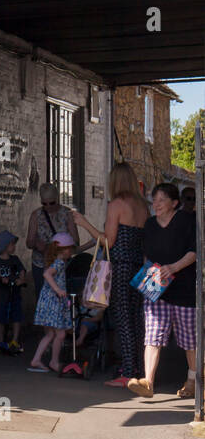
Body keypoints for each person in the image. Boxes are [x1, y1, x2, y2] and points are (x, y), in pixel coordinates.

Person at [73, 162, 149, 387]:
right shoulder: (143, 206)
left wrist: (84, 223)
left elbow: (108, 241)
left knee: (123, 319)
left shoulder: (116, 204)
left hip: (121, 266)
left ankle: (127, 372)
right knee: (137, 320)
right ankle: (139, 367)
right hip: (139, 267)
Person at [127, 183, 197, 399]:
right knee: (152, 335)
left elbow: (194, 251)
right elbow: (147, 255)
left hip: (184, 289)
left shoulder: (186, 221)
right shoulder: (149, 224)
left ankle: (193, 380)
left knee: (189, 339)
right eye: (154, 199)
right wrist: (150, 280)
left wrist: (173, 268)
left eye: (161, 200)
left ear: (174, 203)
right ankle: (148, 381)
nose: (155, 204)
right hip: (157, 287)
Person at [28, 232, 76, 373]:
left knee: (50, 334)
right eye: (70, 249)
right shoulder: (59, 262)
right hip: (54, 302)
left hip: (48, 302)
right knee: (60, 335)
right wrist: (58, 290)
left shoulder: (55, 260)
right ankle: (54, 361)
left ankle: (36, 359)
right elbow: (47, 274)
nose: (71, 252)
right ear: (64, 250)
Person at [25, 183, 80, 302]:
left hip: (62, 265)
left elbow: (76, 241)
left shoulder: (67, 214)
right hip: (41, 264)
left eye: (51, 203)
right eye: (44, 203)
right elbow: (29, 242)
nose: (48, 206)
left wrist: (59, 246)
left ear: (57, 199)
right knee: (43, 298)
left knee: (63, 299)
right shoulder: (36, 215)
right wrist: (36, 243)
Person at [0, 229, 25, 355]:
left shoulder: (15, 260)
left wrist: (21, 279)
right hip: (2, 294)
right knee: (1, 316)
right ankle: (1, 340)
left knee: (16, 315)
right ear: (4, 246)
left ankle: (15, 340)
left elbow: (21, 270)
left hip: (14, 293)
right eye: (11, 244)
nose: (14, 247)